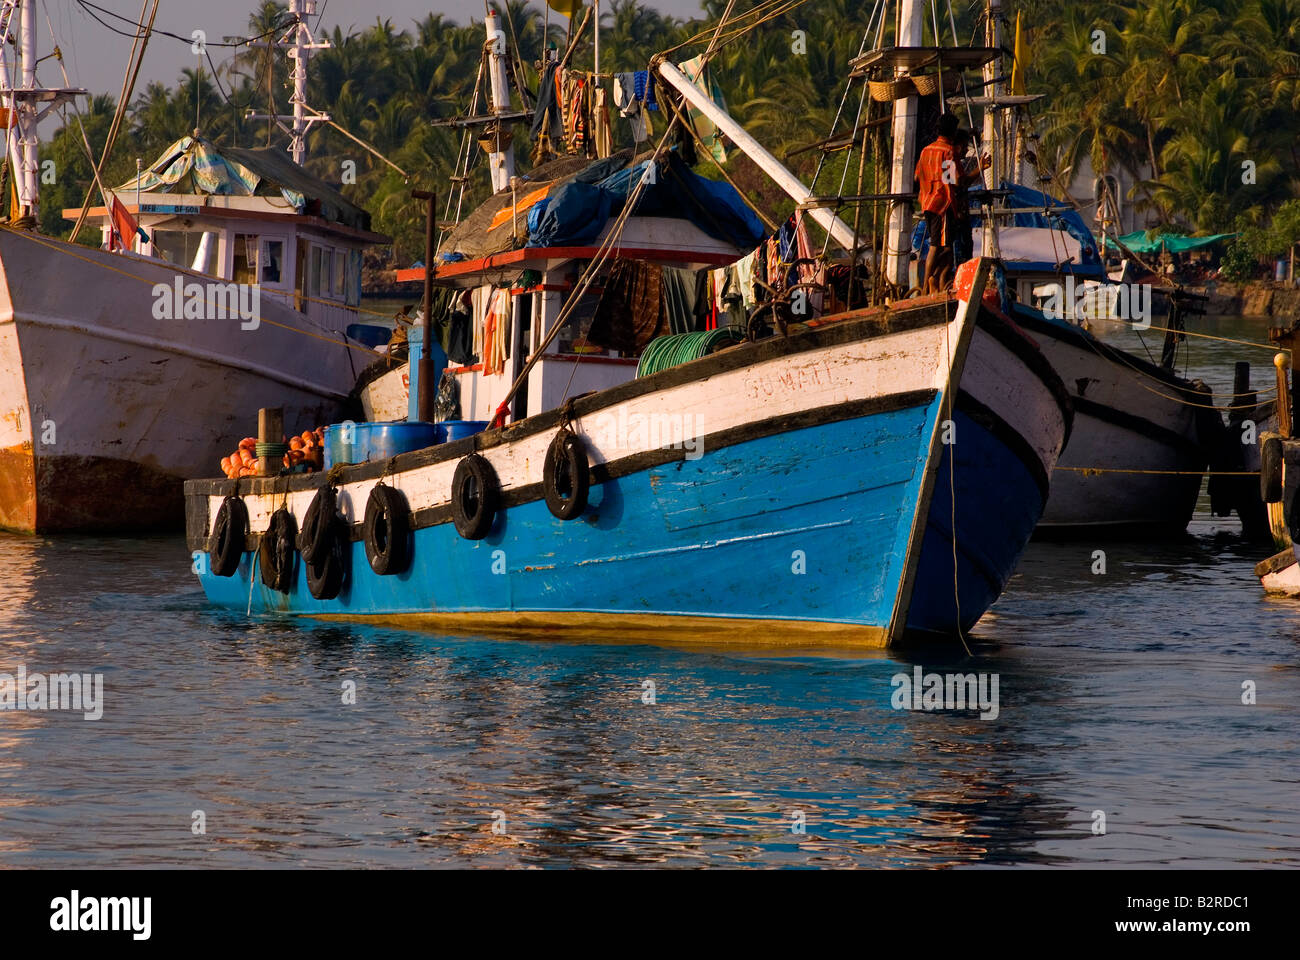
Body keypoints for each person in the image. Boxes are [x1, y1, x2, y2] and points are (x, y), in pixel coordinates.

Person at [914, 113, 990, 293]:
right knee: (939, 245)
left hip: (926, 202)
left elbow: (918, 175)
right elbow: (956, 182)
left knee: (943, 245)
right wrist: (979, 168)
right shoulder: (947, 152)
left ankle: (937, 281)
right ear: (952, 132)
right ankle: (927, 285)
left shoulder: (926, 150)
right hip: (943, 204)